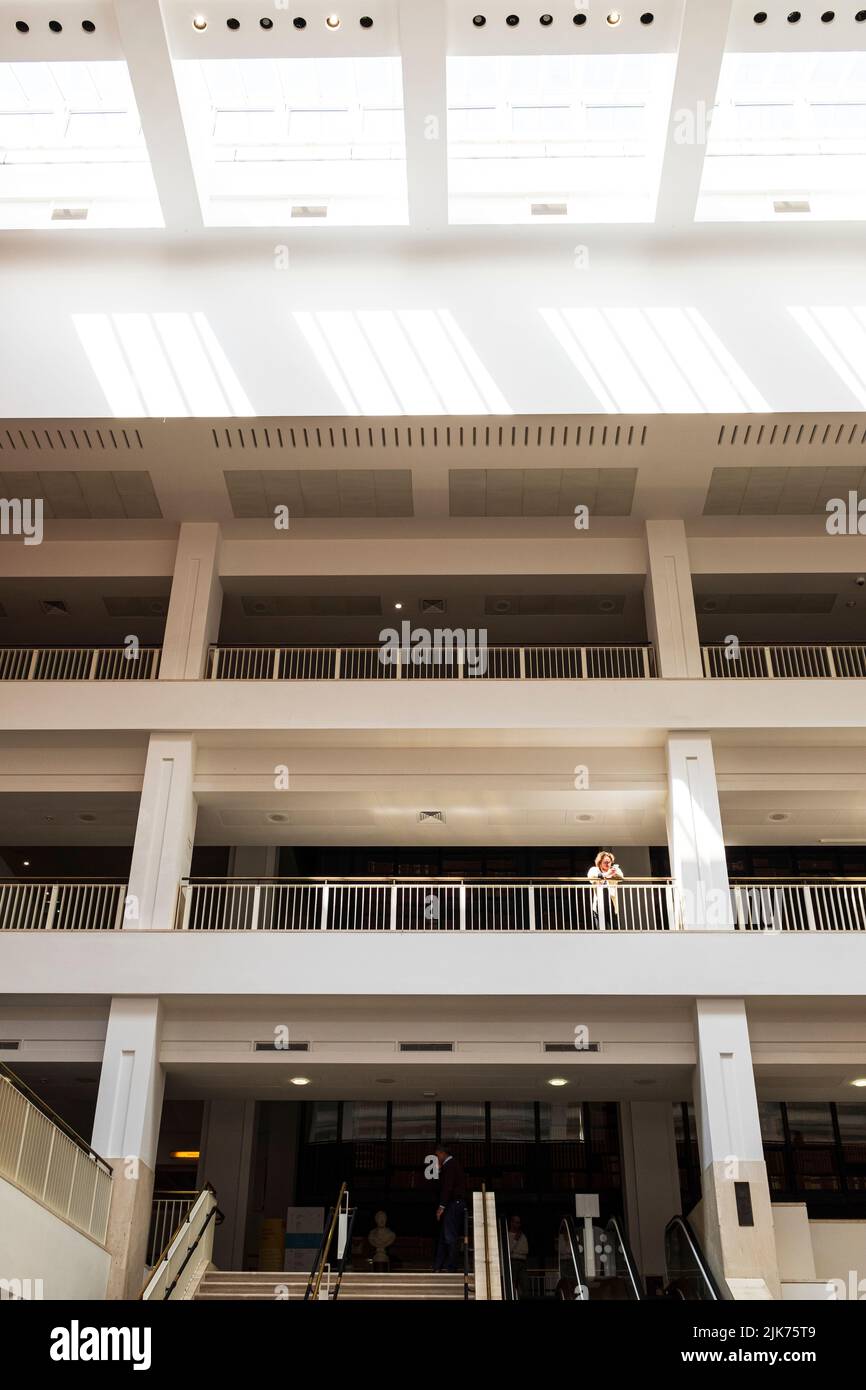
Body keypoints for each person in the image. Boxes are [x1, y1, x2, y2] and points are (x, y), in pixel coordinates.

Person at [432, 1144, 467, 1272]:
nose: (436, 1158)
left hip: (453, 1203)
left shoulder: (450, 1165)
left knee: (449, 1236)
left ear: (442, 1153)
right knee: (444, 1236)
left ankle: (452, 1266)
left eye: (437, 1155)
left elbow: (447, 1187)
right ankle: (438, 1265)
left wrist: (441, 1206)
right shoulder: (450, 1165)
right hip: (453, 1203)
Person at [587, 849, 624, 928]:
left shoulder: (614, 870)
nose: (608, 864)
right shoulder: (594, 869)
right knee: (601, 930)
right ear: (600, 863)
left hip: (611, 904)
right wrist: (607, 874)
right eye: (605, 862)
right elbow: (591, 876)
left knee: (616, 929)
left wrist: (613, 872)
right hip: (598, 905)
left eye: (609, 862)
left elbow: (621, 877)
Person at [507, 1214, 530, 1299]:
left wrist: (516, 1250)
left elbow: (526, 1250)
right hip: (512, 1262)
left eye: (519, 1223)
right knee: (512, 1284)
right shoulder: (507, 1235)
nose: (518, 1224)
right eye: (516, 1222)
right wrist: (515, 1240)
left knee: (525, 1285)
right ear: (511, 1223)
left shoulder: (523, 1236)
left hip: (522, 1262)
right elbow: (509, 1250)